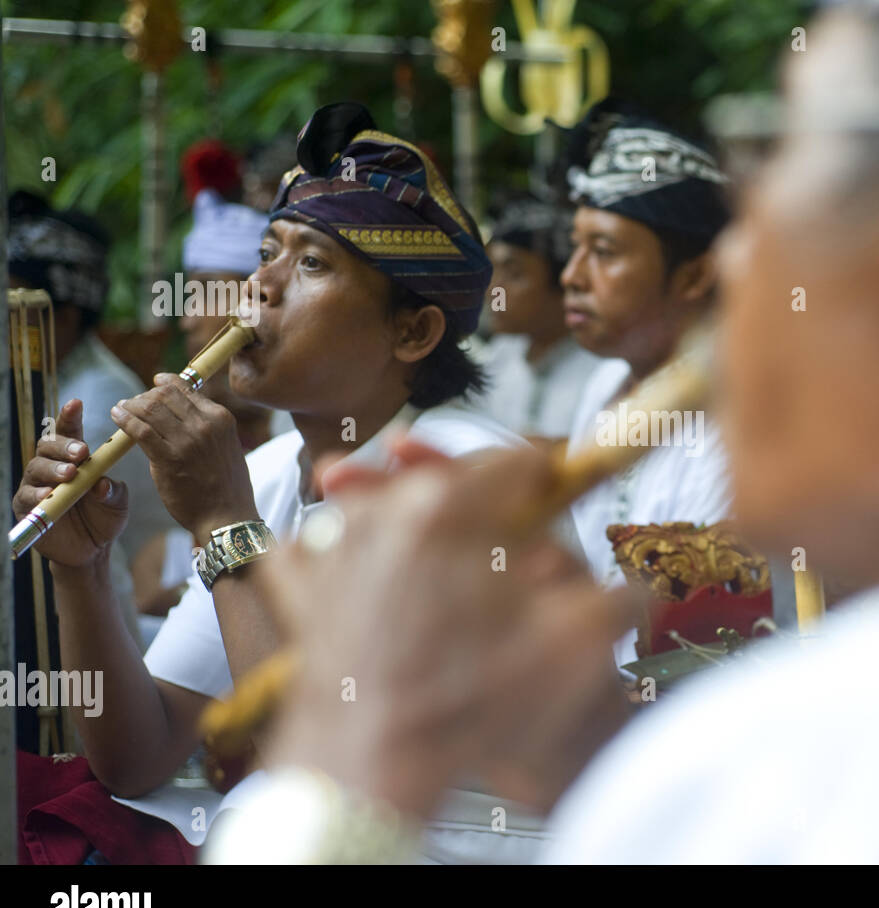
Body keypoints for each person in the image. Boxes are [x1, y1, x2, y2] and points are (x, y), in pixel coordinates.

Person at [206, 0, 879, 864]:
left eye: (776, 153)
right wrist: (575, 739)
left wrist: (350, 763)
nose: (743, 258)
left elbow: (708, 680)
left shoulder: (840, 748)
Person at [12, 103, 534, 860]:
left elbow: (324, 783)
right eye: (268, 252)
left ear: (412, 331)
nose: (258, 286)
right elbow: (139, 753)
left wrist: (224, 523)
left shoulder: (468, 478)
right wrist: (83, 570)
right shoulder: (267, 472)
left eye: (312, 263)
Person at [557, 100, 737, 669]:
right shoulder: (607, 382)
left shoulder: (732, 433)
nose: (571, 275)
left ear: (694, 275)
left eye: (603, 252)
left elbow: (691, 658)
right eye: (575, 246)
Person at [7, 190, 172, 647]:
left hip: (117, 632)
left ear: (62, 318)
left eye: (11, 308)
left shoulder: (100, 404)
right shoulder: (43, 383)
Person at [132, 183, 276, 623]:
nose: (188, 318)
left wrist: (188, 586)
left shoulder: (304, 430)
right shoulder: (200, 408)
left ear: (258, 295)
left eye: (207, 293)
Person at [466, 196, 600, 444]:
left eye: (514, 274)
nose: (494, 292)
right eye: (493, 271)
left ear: (563, 283)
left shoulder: (601, 373)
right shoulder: (502, 356)